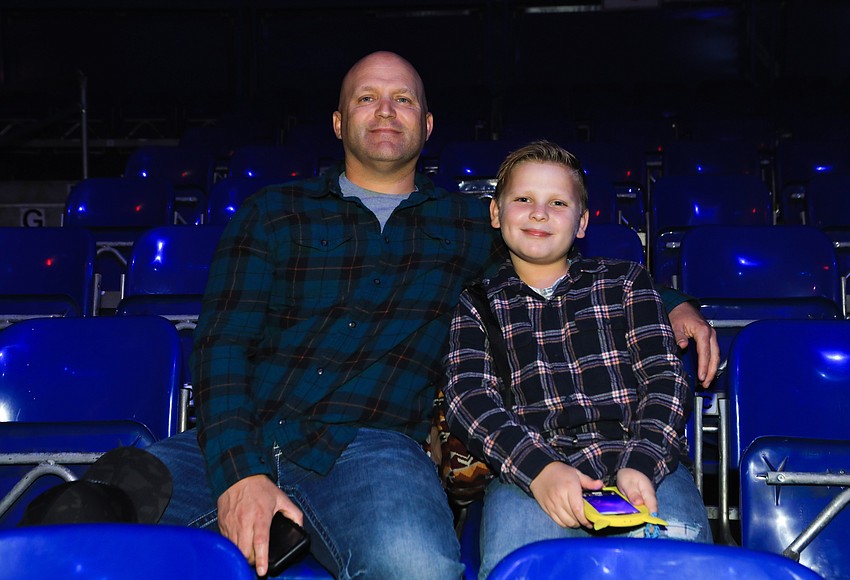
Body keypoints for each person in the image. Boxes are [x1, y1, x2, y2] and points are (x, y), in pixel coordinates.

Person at [147, 51, 718, 579]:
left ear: (426, 125)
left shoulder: (471, 224)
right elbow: (222, 349)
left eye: (404, 99)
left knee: (418, 567)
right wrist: (241, 474)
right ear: (340, 123)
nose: (386, 109)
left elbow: (557, 259)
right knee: (86, 520)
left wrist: (672, 304)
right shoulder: (272, 213)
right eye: (367, 97)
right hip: (236, 437)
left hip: (368, 452)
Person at [442, 141, 712, 579]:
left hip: (642, 462)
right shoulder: (478, 304)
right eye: (523, 199)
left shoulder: (626, 283)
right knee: (521, 569)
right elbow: (469, 399)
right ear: (495, 213)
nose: (539, 213)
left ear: (582, 222)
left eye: (558, 203)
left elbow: (665, 379)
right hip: (529, 476)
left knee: (682, 570)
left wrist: (641, 463)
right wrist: (540, 471)